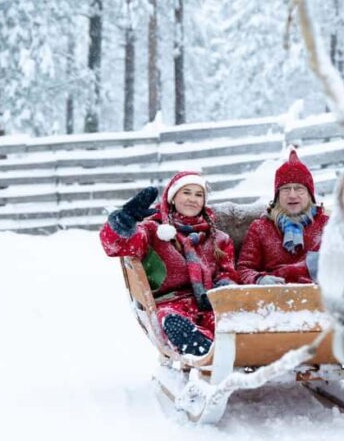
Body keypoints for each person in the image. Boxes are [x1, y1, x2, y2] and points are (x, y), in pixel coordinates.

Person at [100, 171, 237, 355]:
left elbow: (228, 272)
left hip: (210, 301)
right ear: (172, 197)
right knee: (170, 319)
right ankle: (200, 347)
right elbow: (117, 246)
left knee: (223, 321)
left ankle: (227, 348)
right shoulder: (154, 231)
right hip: (172, 302)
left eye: (199, 195)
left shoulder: (218, 239)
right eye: (186, 192)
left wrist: (222, 289)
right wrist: (124, 222)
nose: (192, 199)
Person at [237, 149, 328, 285]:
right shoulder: (260, 227)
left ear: (310, 195)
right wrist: (259, 280)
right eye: (285, 189)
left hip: (317, 299)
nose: (292, 195)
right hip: (274, 299)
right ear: (277, 196)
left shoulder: (327, 225)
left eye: (299, 189)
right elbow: (243, 269)